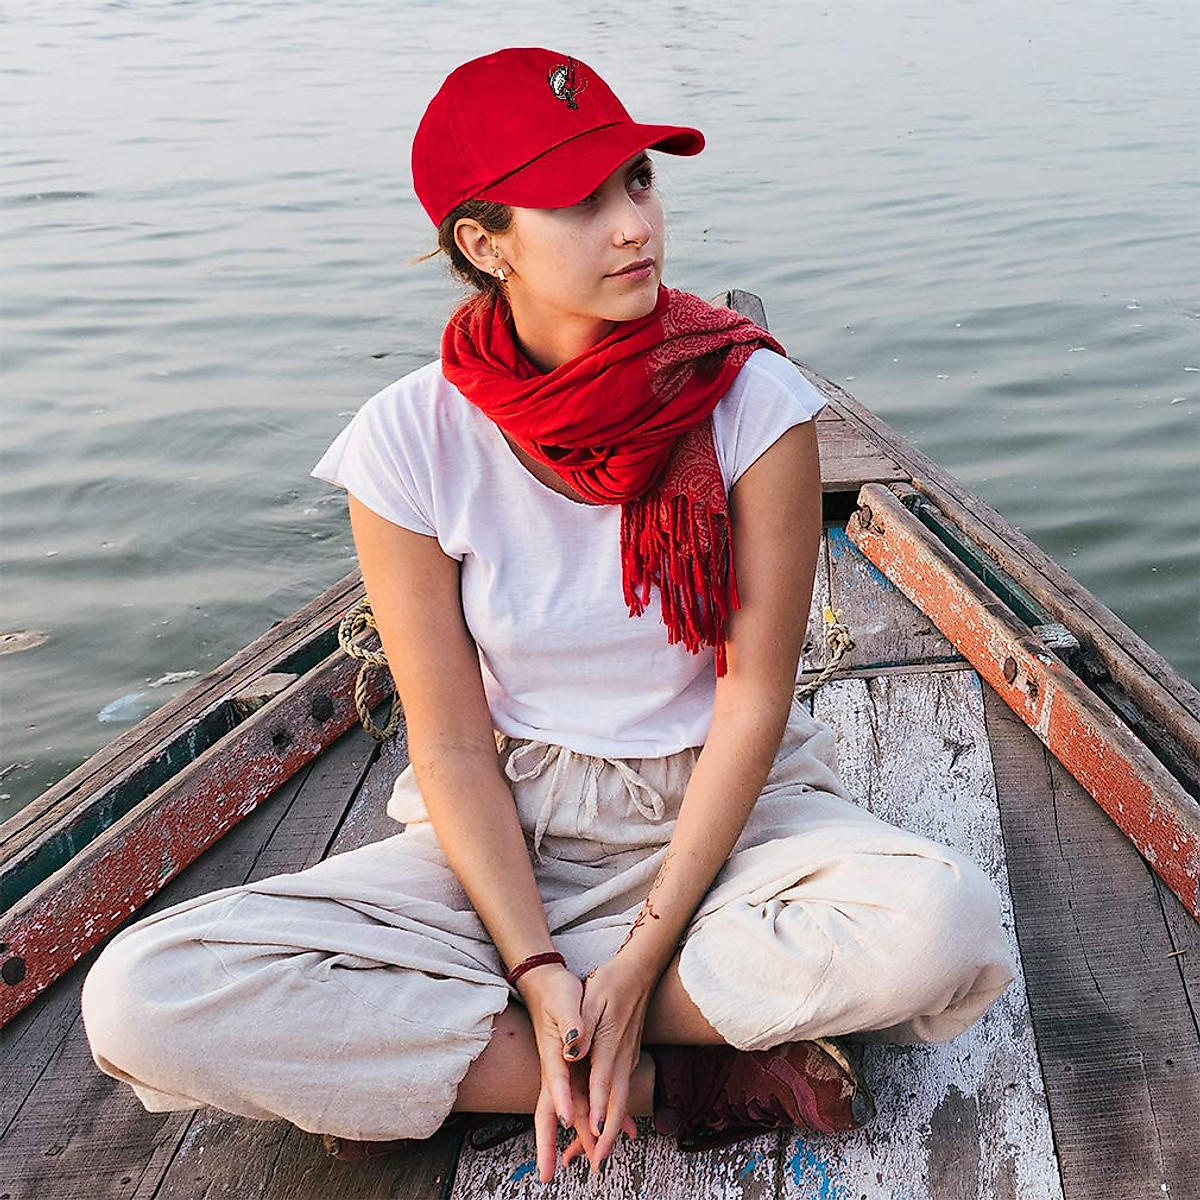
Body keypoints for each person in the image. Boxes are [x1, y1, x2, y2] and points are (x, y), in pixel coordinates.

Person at [81, 47, 1015, 1184]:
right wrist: (536, 965)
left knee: (942, 926)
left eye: (639, 182)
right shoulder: (409, 440)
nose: (635, 226)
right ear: (486, 244)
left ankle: (460, 1052)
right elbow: (450, 742)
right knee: (143, 996)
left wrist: (637, 959)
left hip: (729, 818)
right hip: (509, 830)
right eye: (580, 201)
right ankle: (681, 1075)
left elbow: (753, 699)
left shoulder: (754, 403)